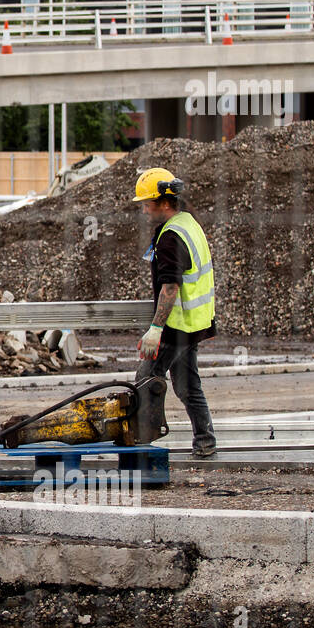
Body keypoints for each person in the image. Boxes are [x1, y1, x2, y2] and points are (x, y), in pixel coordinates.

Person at [131, 168, 217, 459]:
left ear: (164, 203)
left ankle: (139, 445)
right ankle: (205, 442)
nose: (144, 209)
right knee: (187, 385)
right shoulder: (188, 223)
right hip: (193, 324)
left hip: (175, 326)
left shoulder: (171, 238)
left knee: (146, 380)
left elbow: (171, 286)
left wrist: (156, 329)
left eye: (147, 203)